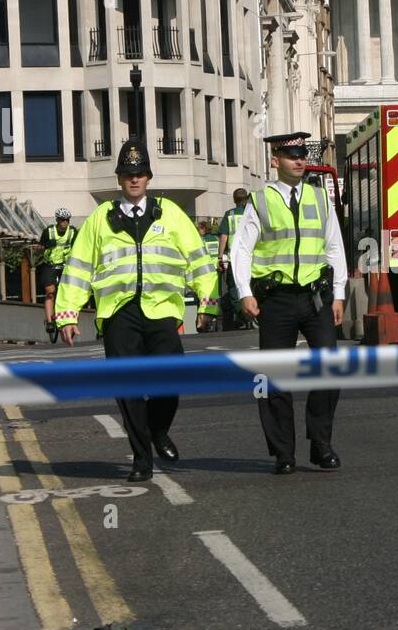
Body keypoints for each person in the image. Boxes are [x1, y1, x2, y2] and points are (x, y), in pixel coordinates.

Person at [55, 139, 219, 482]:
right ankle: (142, 458)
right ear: (119, 179)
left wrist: (208, 302)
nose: (134, 180)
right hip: (118, 313)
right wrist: (67, 313)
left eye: (140, 173)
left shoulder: (170, 214)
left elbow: (198, 260)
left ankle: (158, 431)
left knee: (171, 377)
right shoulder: (101, 218)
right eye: (128, 174)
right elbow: (79, 267)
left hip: (161, 310)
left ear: (148, 178)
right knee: (127, 385)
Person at [230, 131, 347, 475]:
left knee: (330, 366)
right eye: (291, 154)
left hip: (314, 297)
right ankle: (283, 452)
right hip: (276, 299)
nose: (299, 160)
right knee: (271, 376)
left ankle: (321, 444)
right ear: (275, 160)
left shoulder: (319, 198)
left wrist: (338, 294)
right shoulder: (261, 200)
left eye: (302, 154)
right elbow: (241, 250)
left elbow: (334, 247)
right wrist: (244, 291)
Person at [38, 209, 77, 339]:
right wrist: (47, 245)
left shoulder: (73, 232)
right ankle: (49, 321)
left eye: (67, 220)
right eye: (62, 220)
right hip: (50, 265)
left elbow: (78, 247)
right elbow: (39, 247)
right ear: (57, 220)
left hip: (66, 266)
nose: (65, 222)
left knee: (67, 293)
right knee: (50, 292)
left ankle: (67, 318)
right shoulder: (49, 231)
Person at [217, 189, 250, 328]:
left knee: (233, 289)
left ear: (234, 199)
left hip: (235, 258)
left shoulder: (230, 214)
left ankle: (245, 316)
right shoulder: (252, 213)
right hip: (251, 257)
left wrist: (220, 257)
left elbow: (224, 236)